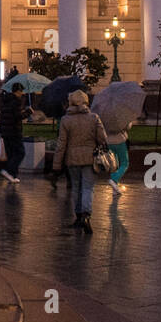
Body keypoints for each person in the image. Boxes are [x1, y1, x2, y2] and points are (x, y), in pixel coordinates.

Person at [53, 89, 109, 234]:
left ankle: (78, 217)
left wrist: (56, 164)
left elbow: (61, 144)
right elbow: (103, 138)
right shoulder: (94, 118)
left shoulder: (66, 120)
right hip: (90, 158)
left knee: (76, 187)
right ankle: (86, 215)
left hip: (72, 158)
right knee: (88, 188)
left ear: (71, 102)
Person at [98, 95, 136, 196]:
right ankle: (114, 179)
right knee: (124, 163)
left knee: (114, 164)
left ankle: (115, 188)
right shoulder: (121, 112)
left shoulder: (103, 113)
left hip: (108, 141)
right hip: (119, 141)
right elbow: (127, 127)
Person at [0, 83, 31, 183]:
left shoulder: (5, 101)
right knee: (20, 153)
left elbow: (5, 117)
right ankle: (8, 171)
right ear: (17, 91)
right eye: (21, 91)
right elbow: (17, 117)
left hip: (5, 132)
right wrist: (28, 112)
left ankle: (12, 176)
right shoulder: (15, 102)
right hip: (14, 132)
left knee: (11, 153)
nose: (22, 94)